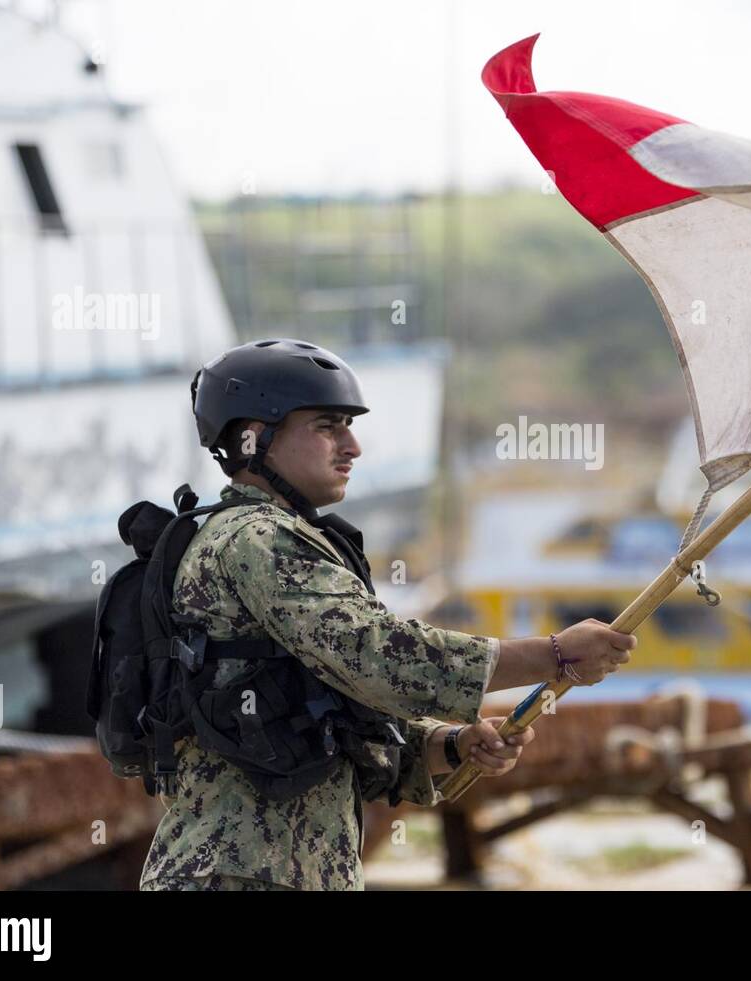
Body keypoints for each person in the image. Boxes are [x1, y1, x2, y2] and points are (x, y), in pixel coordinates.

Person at [139, 338, 636, 891]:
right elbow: (374, 655)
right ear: (253, 438)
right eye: (327, 426)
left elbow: (330, 713)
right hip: (240, 875)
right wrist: (552, 656)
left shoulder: (277, 538)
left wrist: (447, 744)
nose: (351, 446)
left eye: (348, 425)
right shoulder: (258, 539)